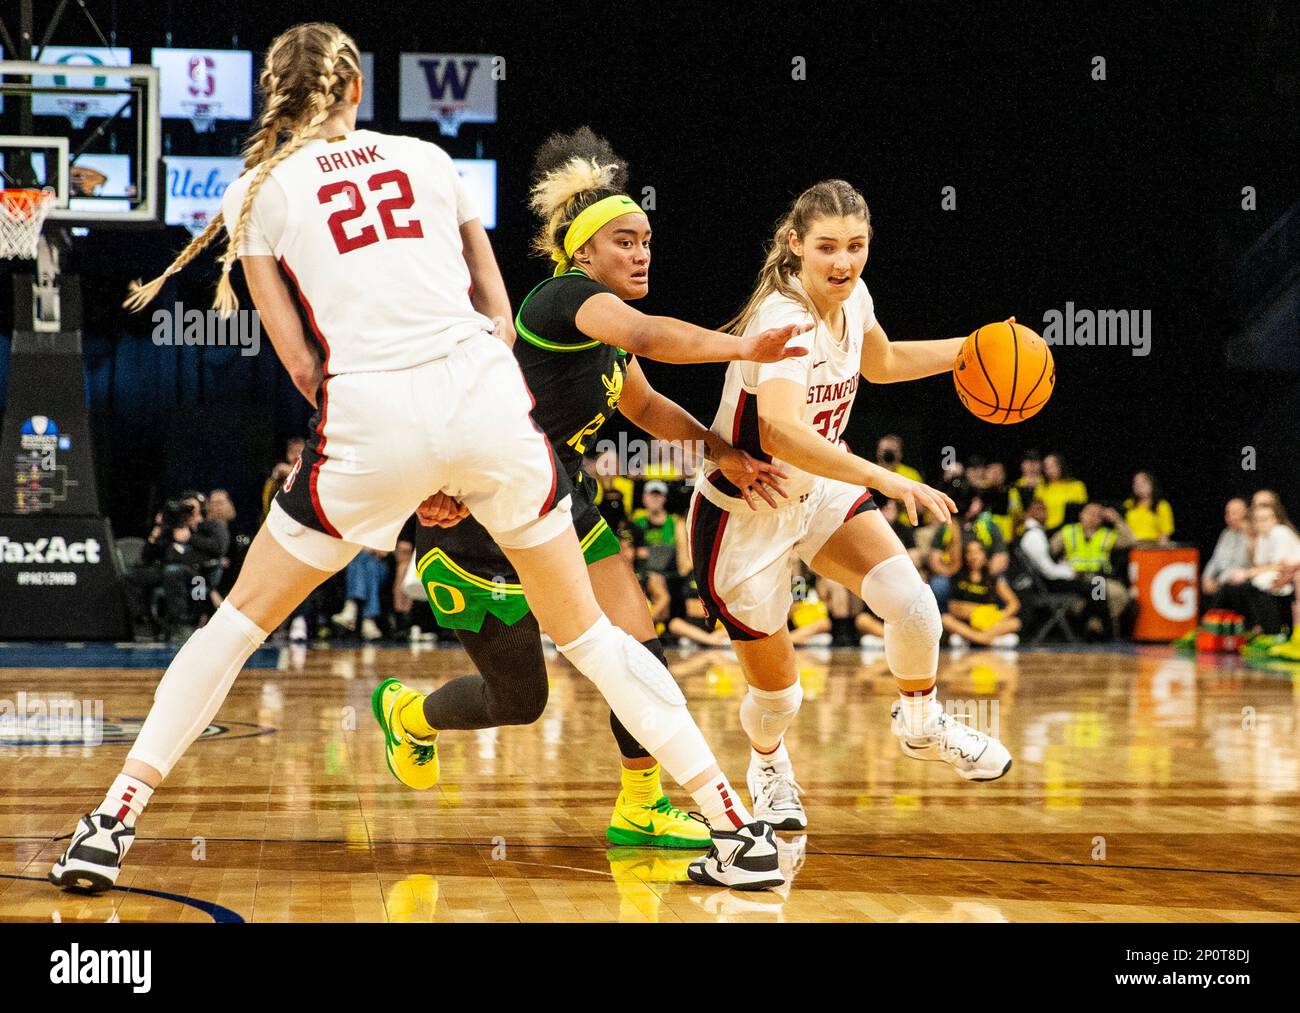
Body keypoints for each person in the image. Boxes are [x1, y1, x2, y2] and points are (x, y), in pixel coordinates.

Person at [52, 29, 797, 895]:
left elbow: (300, 365)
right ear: (358, 85)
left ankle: (111, 821)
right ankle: (736, 829)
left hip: (375, 413)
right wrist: (454, 462)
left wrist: (403, 473)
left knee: (237, 626)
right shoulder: (429, 157)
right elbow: (494, 313)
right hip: (486, 403)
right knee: (593, 635)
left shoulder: (259, 189)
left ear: (271, 91)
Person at [386, 127, 811, 867]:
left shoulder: (605, 330)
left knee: (637, 644)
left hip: (564, 503)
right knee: (521, 701)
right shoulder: (564, 299)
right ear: (582, 252)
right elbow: (651, 334)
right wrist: (744, 347)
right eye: (624, 240)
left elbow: (644, 407)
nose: (642, 252)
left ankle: (642, 804)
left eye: (646, 238)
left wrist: (721, 451)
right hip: (479, 519)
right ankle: (409, 713)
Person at [689, 179, 1014, 845]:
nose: (843, 262)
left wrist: (974, 349)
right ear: (796, 245)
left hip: (817, 490)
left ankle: (922, 724)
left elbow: (884, 361)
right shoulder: (785, 318)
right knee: (781, 697)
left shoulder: (854, 296)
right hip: (745, 515)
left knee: (915, 604)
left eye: (856, 246)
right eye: (828, 248)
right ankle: (768, 764)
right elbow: (777, 430)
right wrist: (882, 477)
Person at [1051, 502, 1134, 638]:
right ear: (1081, 514)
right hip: (1075, 578)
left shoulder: (1107, 535)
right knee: (1089, 598)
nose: (1093, 517)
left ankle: (1095, 627)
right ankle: (1091, 629)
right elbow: (1048, 553)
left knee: (1116, 594)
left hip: (1098, 578)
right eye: (1090, 513)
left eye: (1098, 515)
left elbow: (1130, 541)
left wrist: (1116, 520)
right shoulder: (1067, 532)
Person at [941, 539, 1021, 649]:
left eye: (978, 552)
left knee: (1015, 623)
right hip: (966, 623)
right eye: (969, 552)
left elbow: (1014, 603)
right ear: (965, 556)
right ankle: (986, 640)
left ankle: (973, 640)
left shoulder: (994, 581)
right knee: (945, 619)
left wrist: (999, 616)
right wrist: (978, 611)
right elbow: (953, 607)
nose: (974, 556)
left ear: (985, 556)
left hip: (989, 622)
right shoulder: (958, 578)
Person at [1201, 498, 1250, 607]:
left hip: (1236, 579)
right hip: (1220, 579)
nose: (1230, 516)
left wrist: (1218, 582)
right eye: (1228, 512)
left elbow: (1241, 563)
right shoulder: (1226, 533)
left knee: (1228, 589)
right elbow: (1215, 559)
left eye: (1235, 512)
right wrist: (1206, 578)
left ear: (1245, 513)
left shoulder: (1250, 535)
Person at [1034, 452, 1088, 533]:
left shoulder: (1077, 486)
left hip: (1072, 530)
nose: (1049, 470)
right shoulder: (1041, 488)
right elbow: (1037, 512)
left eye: (1053, 465)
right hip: (1048, 530)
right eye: (1046, 467)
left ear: (1061, 465)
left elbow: (1083, 511)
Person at [1124, 470, 1175, 544]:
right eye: (1135, 482)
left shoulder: (1162, 505)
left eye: (1143, 482)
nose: (1139, 485)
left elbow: (1165, 533)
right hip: (1130, 545)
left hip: (1152, 546)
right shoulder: (1128, 504)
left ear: (1152, 484)